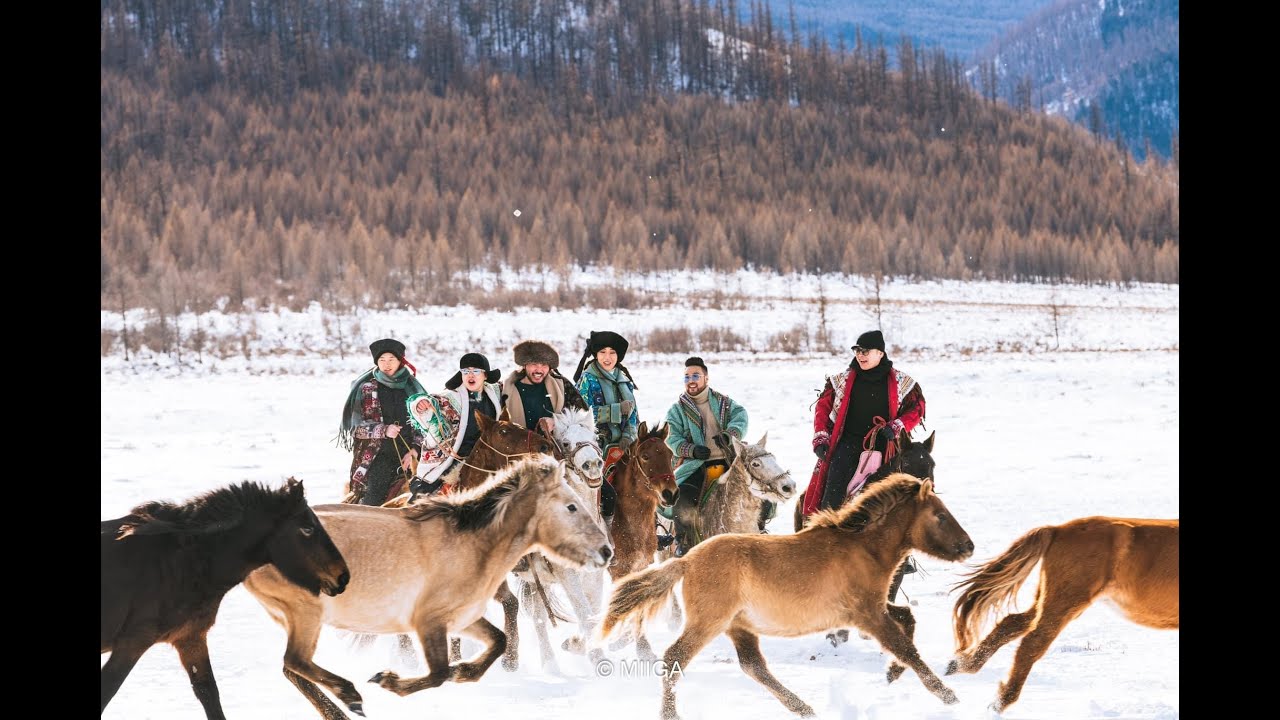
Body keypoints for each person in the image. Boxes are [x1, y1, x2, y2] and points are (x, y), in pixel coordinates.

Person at [801, 329, 927, 602]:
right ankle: (823, 546)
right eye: (857, 351)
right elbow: (822, 410)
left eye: (865, 351)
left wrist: (897, 427)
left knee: (895, 498)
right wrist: (821, 437)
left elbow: (916, 410)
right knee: (833, 491)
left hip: (885, 446)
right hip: (848, 442)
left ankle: (899, 551)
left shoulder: (903, 383)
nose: (860, 356)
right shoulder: (841, 381)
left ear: (880, 353)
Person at [663, 356, 757, 557]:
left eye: (695, 375)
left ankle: (759, 528)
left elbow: (741, 416)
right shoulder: (677, 410)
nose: (691, 380)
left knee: (759, 487)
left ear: (706, 378)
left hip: (728, 461)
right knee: (684, 498)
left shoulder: (723, 402)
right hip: (697, 465)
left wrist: (730, 435)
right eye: (687, 377)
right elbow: (672, 437)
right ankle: (683, 542)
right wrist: (691, 450)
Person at [337, 338, 427, 506]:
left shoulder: (412, 387)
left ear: (400, 361)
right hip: (380, 454)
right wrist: (383, 430)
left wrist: (415, 450)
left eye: (391, 359)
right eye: (382, 360)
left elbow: (423, 425)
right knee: (375, 494)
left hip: (410, 452)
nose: (387, 364)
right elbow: (357, 429)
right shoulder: (367, 388)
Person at [406, 352, 504, 496]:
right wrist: (420, 405)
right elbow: (432, 405)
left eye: (476, 371)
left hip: (485, 456)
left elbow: (511, 383)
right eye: (465, 371)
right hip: (454, 458)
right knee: (427, 498)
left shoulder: (494, 392)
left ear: (485, 376)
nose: (470, 375)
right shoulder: (450, 398)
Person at [572, 331, 638, 519]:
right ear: (595, 355)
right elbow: (582, 415)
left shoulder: (626, 381)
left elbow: (634, 416)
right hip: (597, 445)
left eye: (612, 353)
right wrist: (615, 410)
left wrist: (629, 436)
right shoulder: (588, 379)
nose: (607, 358)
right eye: (602, 352)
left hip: (624, 445)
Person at [501, 339, 588, 437]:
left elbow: (582, 415)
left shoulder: (562, 385)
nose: (539, 370)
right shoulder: (506, 389)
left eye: (543, 365)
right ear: (525, 365)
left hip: (556, 447)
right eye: (534, 364)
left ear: (550, 367)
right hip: (519, 448)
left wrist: (556, 422)